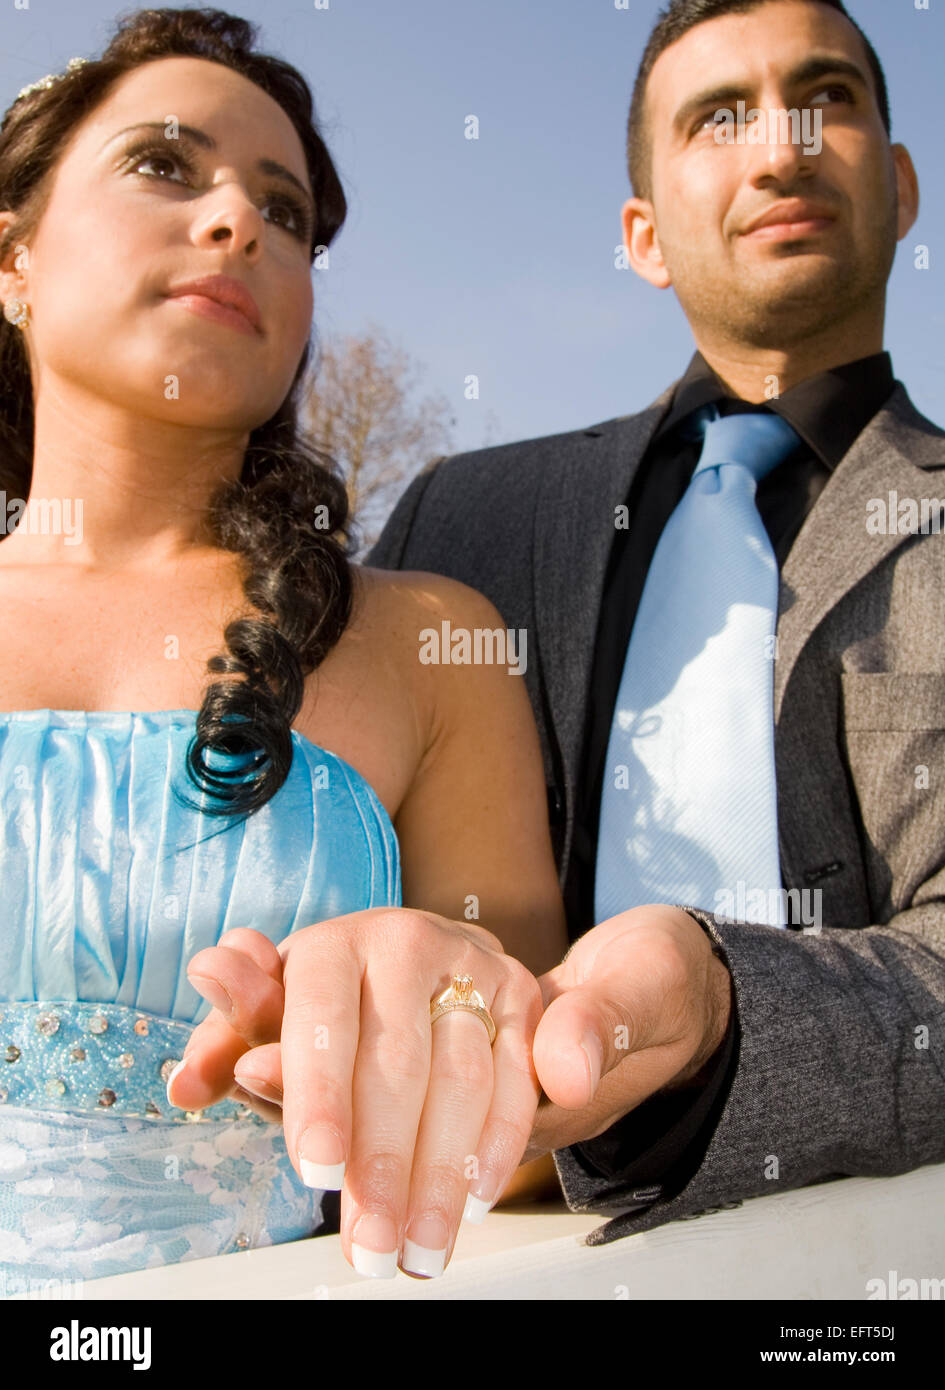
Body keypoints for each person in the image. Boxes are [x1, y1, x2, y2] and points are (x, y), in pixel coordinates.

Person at [194, 0, 945, 1266]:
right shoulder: (464, 520)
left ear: (904, 181)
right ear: (641, 235)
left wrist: (724, 1011)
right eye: (719, 119)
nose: (781, 150)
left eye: (826, 102)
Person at [0, 7, 569, 1290]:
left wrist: (461, 1026)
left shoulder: (432, 641)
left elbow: (538, 1156)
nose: (240, 223)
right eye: (164, 163)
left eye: (288, 213)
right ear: (13, 255)